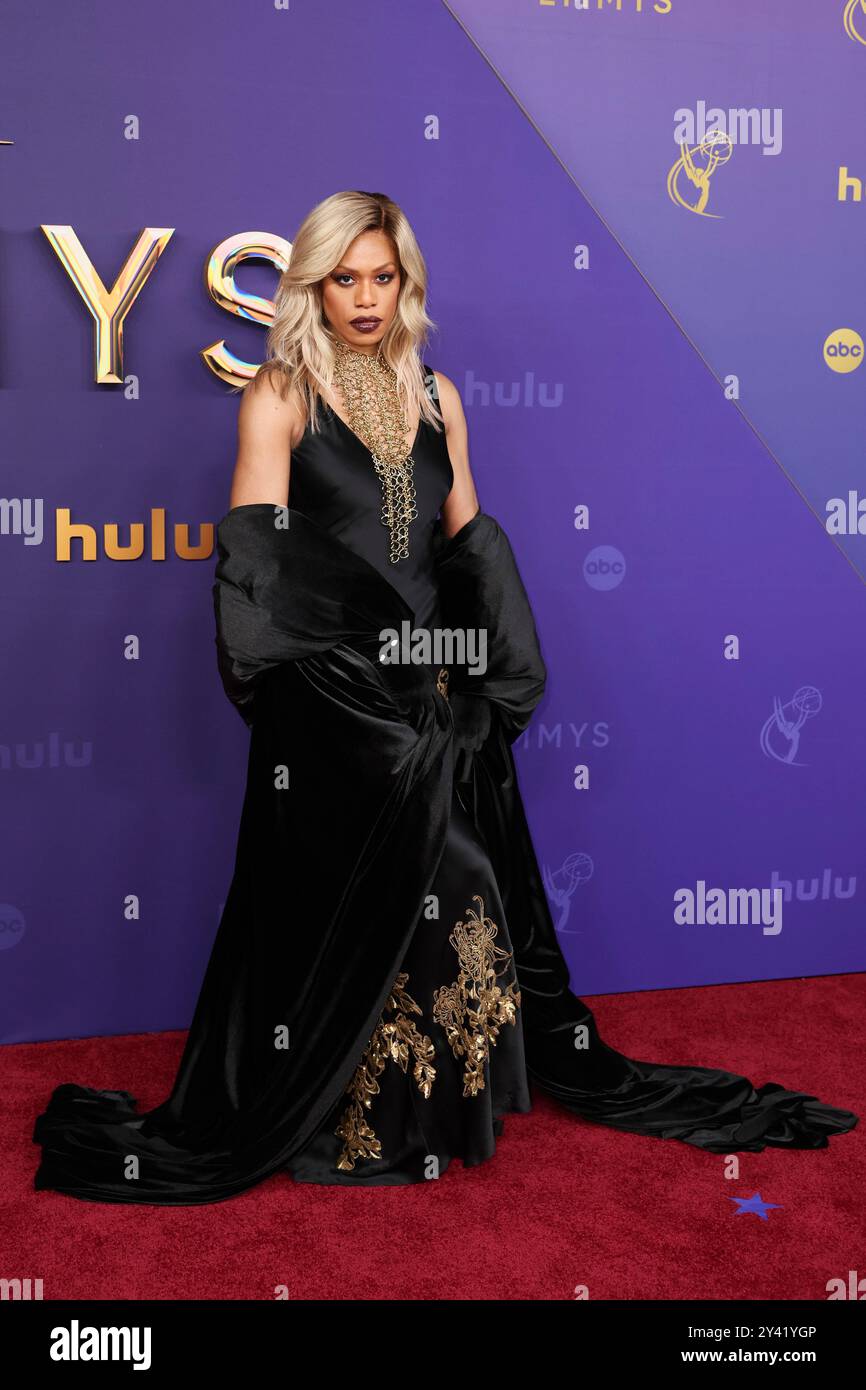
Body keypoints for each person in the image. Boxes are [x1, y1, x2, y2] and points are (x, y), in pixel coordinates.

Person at [32, 191, 857, 1205]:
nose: (365, 298)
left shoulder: (437, 395)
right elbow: (258, 568)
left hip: (431, 694)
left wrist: (478, 679)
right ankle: (366, 1107)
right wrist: (356, 688)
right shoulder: (278, 396)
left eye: (383, 277)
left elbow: (466, 548)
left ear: (405, 282)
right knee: (438, 880)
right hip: (329, 708)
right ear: (313, 287)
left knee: (463, 880)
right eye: (345, 279)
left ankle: (436, 1108)